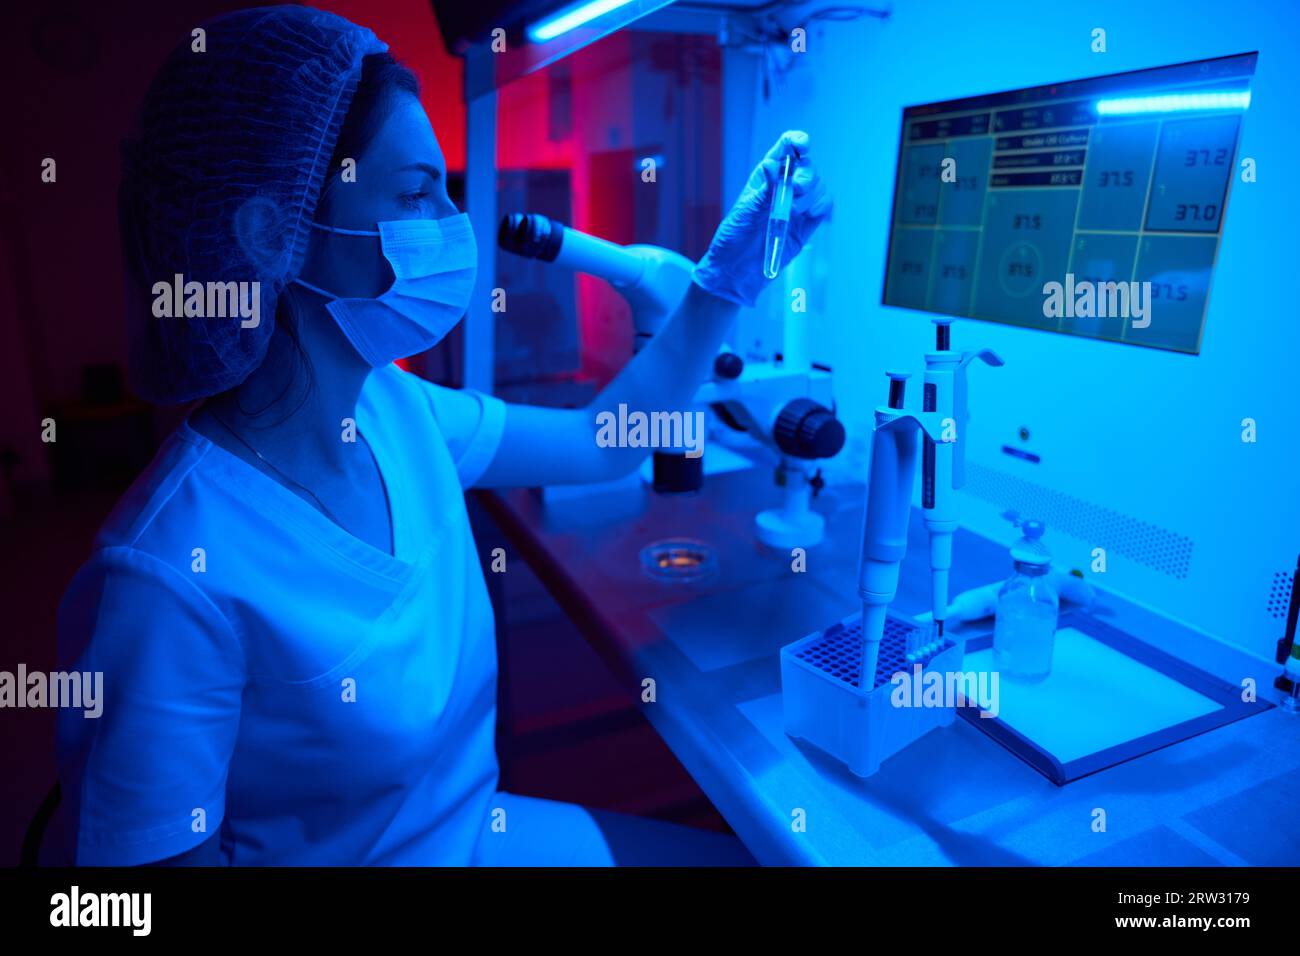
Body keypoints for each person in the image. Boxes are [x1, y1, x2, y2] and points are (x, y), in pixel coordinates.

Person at [55, 5, 831, 866]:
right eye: (415, 193)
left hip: (471, 837)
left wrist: (724, 286)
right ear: (275, 236)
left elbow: (601, 443)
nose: (451, 224)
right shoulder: (170, 572)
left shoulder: (398, 414)